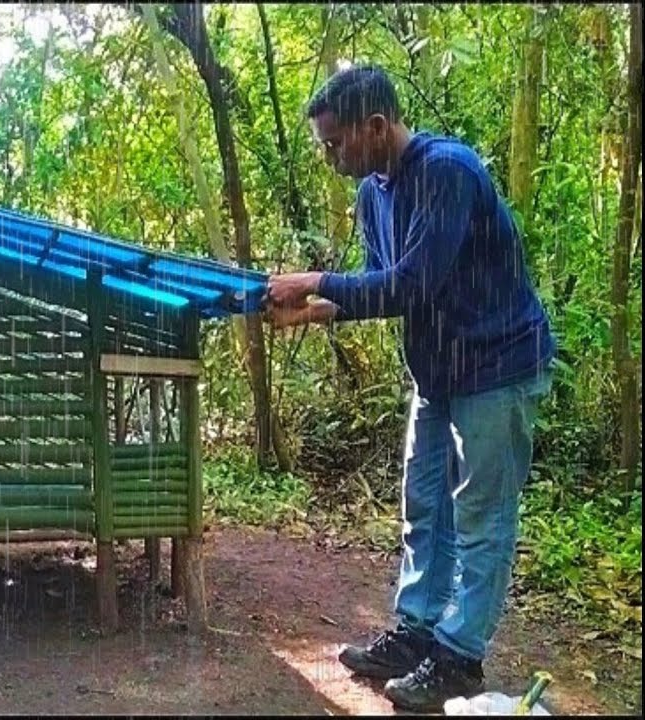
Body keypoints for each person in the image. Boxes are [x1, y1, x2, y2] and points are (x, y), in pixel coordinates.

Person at [263, 65, 556, 712]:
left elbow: (411, 283)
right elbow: (381, 288)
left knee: (480, 517)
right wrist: (313, 311)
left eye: (336, 143)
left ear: (375, 126)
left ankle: (459, 655)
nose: (331, 156)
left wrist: (312, 280)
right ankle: (418, 629)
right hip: (440, 374)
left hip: (497, 365)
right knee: (424, 508)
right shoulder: (373, 194)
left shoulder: (446, 172)